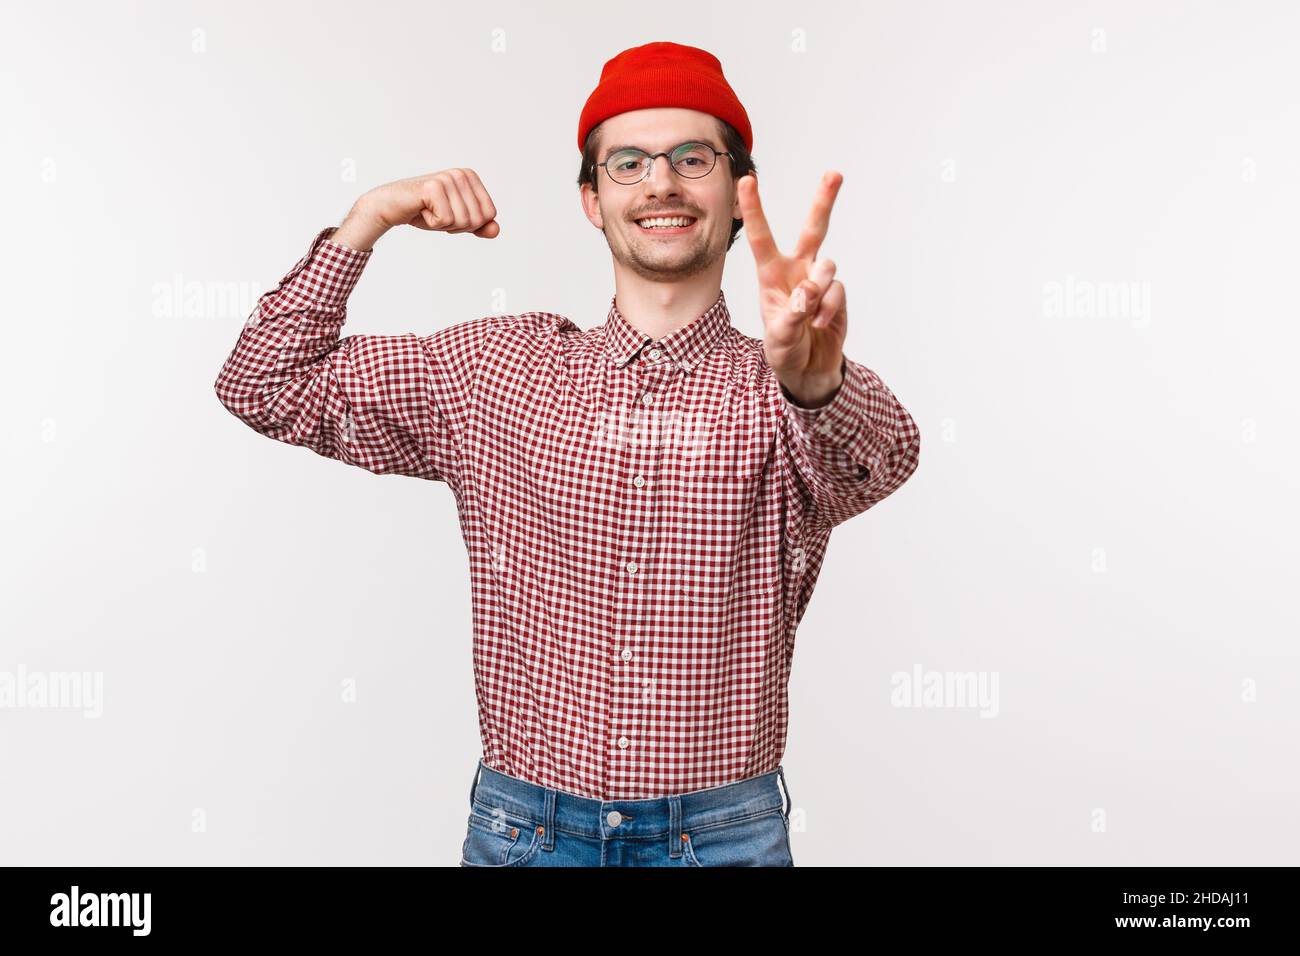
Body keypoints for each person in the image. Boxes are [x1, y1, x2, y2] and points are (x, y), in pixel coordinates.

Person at [214, 41, 920, 866]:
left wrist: (814, 382)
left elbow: (883, 460)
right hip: (526, 834)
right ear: (592, 199)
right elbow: (263, 382)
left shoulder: (784, 387)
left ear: (737, 192)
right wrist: (366, 221)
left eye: (693, 157)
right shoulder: (494, 371)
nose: (660, 182)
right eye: (628, 163)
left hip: (722, 836)